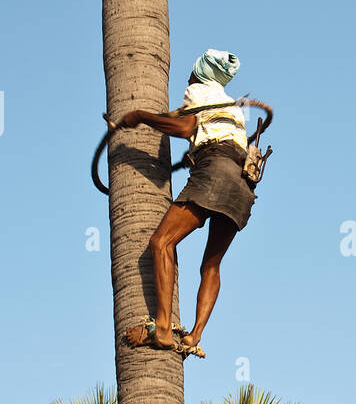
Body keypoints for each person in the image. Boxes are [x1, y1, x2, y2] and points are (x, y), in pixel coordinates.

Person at [109, 48, 255, 355]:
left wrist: (140, 117)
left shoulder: (198, 90)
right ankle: (194, 336)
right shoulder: (229, 105)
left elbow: (187, 127)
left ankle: (162, 328)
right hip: (242, 184)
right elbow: (197, 125)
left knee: (161, 242)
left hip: (214, 173)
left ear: (200, 73)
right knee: (211, 265)